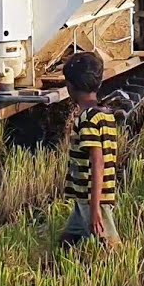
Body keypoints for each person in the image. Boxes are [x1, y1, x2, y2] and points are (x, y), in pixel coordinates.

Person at [58, 51, 121, 247]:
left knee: (107, 244)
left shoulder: (87, 119)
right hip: (84, 197)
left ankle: (117, 270)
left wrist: (95, 209)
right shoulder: (105, 114)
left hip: (91, 197)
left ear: (70, 87)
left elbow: (98, 161)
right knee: (67, 241)